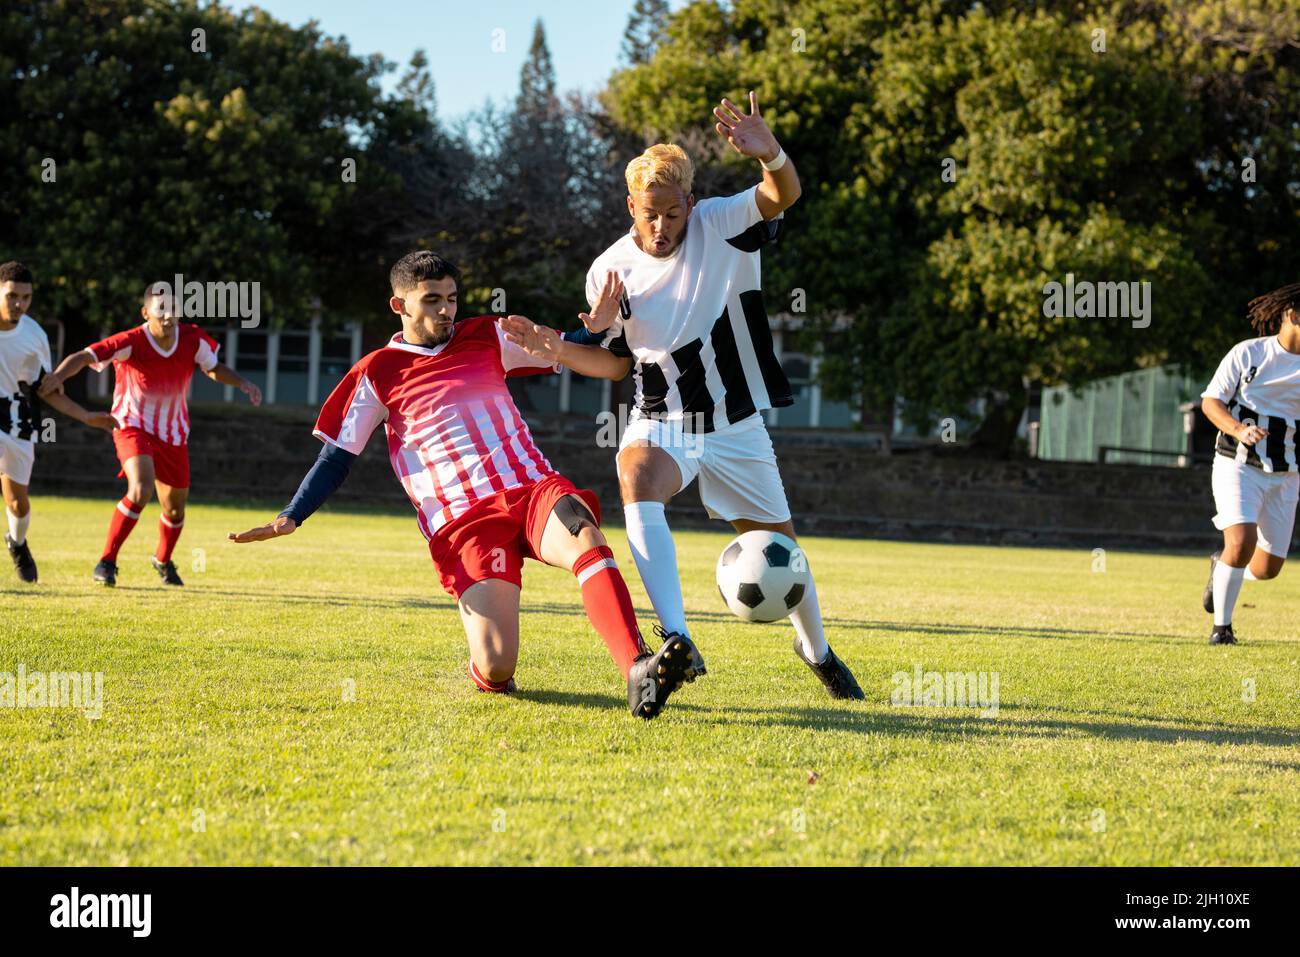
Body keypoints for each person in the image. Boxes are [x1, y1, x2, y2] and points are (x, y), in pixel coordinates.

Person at [228, 251, 704, 719]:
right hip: (464, 521)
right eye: (432, 299)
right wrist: (293, 514)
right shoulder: (376, 371)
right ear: (400, 305)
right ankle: (490, 670)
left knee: (585, 536)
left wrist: (596, 326)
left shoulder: (488, 333)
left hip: (532, 487)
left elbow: (557, 344)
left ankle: (638, 667)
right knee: (498, 663)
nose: (446, 310)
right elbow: (336, 458)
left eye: (452, 298)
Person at [507, 92, 864, 699]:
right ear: (630, 206)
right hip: (662, 419)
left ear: (689, 205)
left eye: (672, 213)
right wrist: (565, 344)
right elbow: (617, 365)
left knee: (781, 550)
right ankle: (677, 640)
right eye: (649, 214)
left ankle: (817, 650)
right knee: (636, 474)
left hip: (735, 422)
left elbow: (784, 195)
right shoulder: (608, 270)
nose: (661, 227)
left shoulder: (720, 223)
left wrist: (771, 153)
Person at [39, 281, 262, 586]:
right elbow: (84, 357)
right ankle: (107, 561)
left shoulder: (193, 338)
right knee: (141, 489)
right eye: (162, 310)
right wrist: (57, 376)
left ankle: (163, 560)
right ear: (146, 313)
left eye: (174, 309)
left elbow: (212, 367)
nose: (169, 316)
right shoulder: (131, 341)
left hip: (173, 432)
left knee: (174, 507)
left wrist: (242, 383)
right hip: (131, 425)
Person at [1, 261, 116, 582]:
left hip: (17, 420)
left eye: (25, 297)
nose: (19, 304)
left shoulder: (34, 335)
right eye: (12, 296)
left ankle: (17, 542)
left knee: (17, 503)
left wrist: (86, 416)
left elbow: (46, 389)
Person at [1199, 282, 1300, 644]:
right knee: (1241, 542)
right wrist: (1239, 430)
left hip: (1286, 473)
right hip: (1236, 462)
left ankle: (1223, 565)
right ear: (1292, 315)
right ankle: (1222, 629)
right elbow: (1212, 402)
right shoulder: (1249, 354)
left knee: (1268, 568)